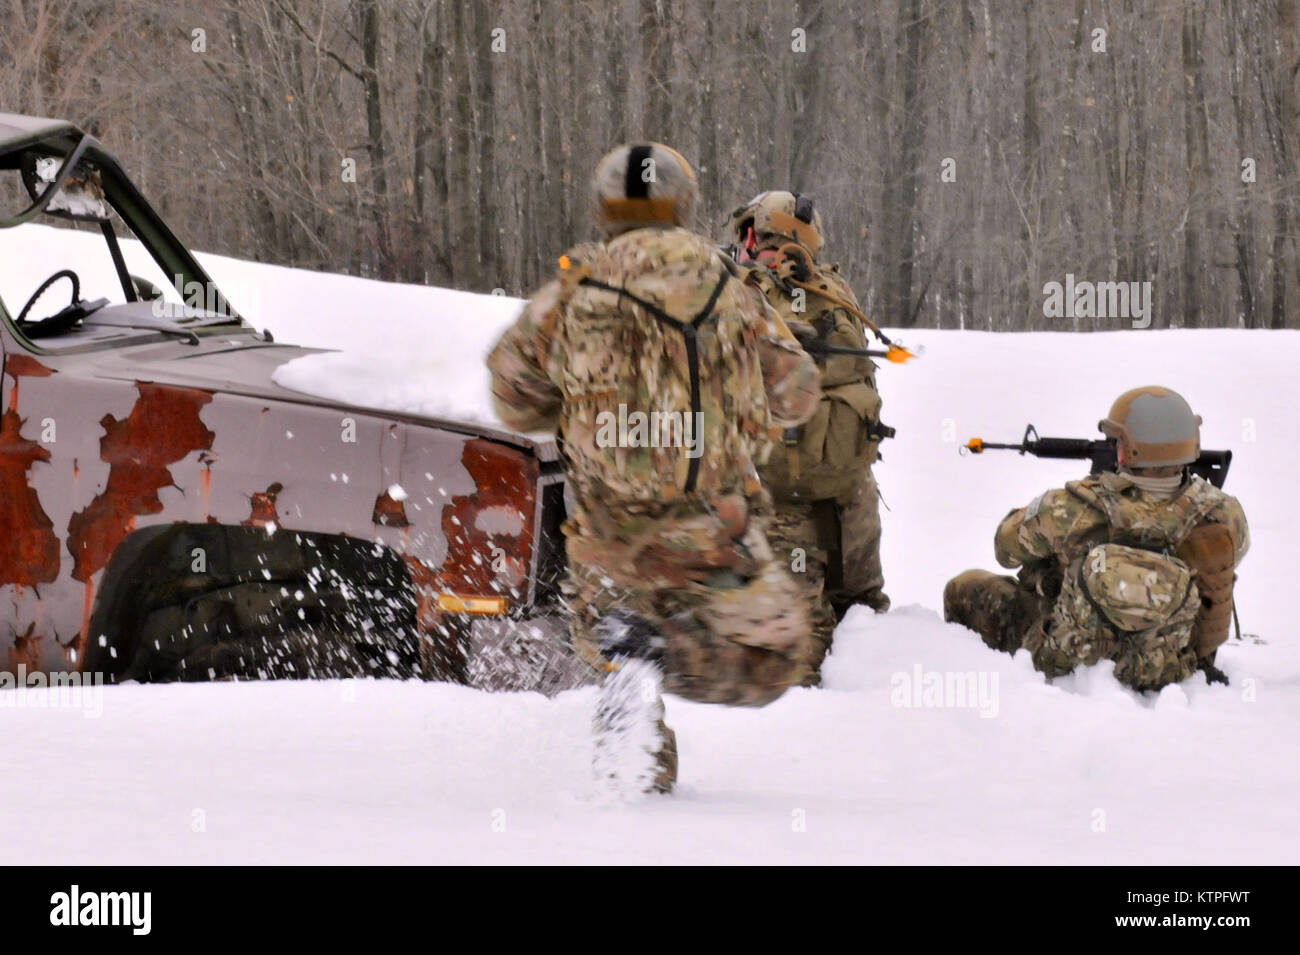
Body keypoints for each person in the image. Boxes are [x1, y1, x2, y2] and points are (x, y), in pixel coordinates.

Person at [487, 143, 820, 794]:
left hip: (608, 540)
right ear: (685, 204)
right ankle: (657, 654)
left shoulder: (569, 294)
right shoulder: (732, 290)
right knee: (776, 657)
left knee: (619, 656)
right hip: (717, 531)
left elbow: (511, 400)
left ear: (604, 207)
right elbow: (798, 395)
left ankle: (636, 747)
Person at [944, 386, 1250, 691]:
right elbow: (1234, 555)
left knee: (964, 587)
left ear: (1123, 447)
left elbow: (1005, 550)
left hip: (1076, 656)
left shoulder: (1071, 506)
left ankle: (980, 675)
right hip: (1180, 659)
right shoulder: (1224, 511)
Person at [725, 191, 890, 686]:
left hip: (787, 497)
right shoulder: (834, 290)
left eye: (749, 239)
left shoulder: (743, 294)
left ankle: (809, 736)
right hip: (852, 493)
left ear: (759, 236)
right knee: (862, 614)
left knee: (798, 648)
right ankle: (877, 716)